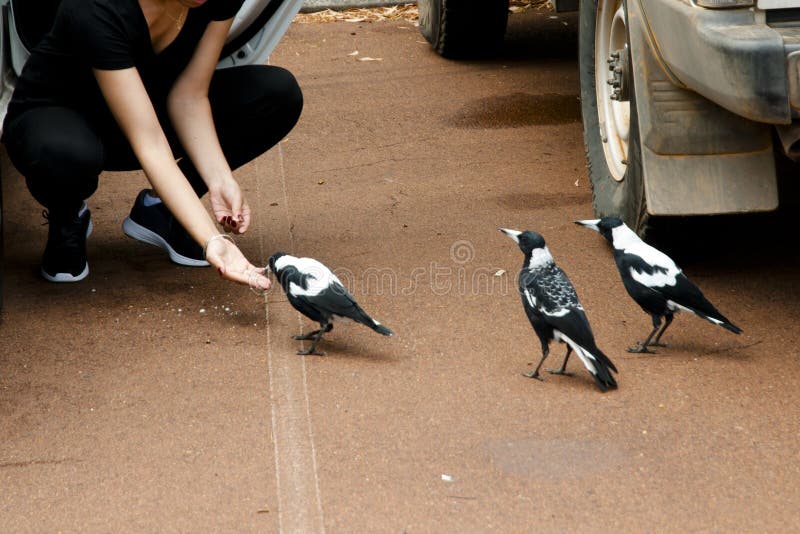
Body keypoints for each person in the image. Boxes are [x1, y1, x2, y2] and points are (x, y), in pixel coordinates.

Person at [1, 0, 303, 290]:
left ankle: (164, 213)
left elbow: (190, 96)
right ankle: (67, 216)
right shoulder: (96, 7)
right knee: (65, 155)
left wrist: (220, 179)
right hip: (61, 116)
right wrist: (211, 239)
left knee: (276, 94)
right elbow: (150, 143)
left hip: (142, 113)